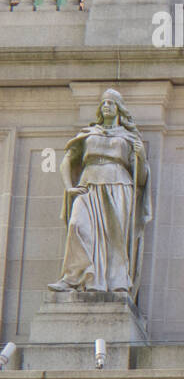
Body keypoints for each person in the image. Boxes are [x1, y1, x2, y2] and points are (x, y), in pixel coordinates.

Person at [48, 89, 152, 298]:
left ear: (119, 109)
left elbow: (140, 178)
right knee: (77, 225)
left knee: (115, 237)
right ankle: (73, 277)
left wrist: (140, 155)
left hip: (119, 186)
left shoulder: (129, 138)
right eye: (103, 102)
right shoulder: (89, 133)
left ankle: (115, 282)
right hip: (89, 185)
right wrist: (69, 187)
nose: (106, 105)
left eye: (111, 103)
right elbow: (67, 161)